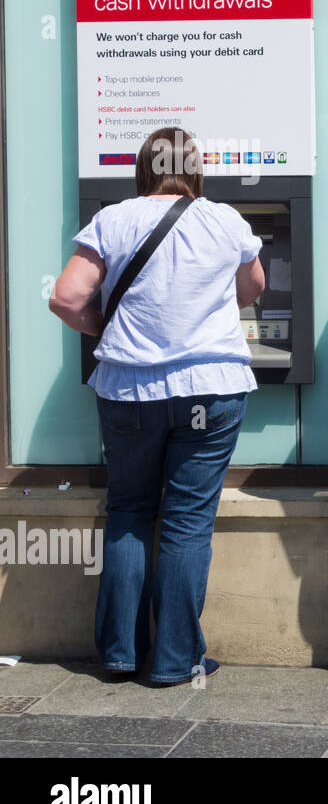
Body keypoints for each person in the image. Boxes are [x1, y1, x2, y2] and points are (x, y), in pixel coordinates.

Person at [49, 128, 265, 685]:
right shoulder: (225, 220)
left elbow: (66, 298)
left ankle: (120, 654)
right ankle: (174, 661)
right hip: (209, 389)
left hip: (130, 391)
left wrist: (107, 328)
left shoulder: (115, 219)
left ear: (143, 168)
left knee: (129, 512)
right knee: (188, 524)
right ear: (196, 169)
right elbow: (251, 289)